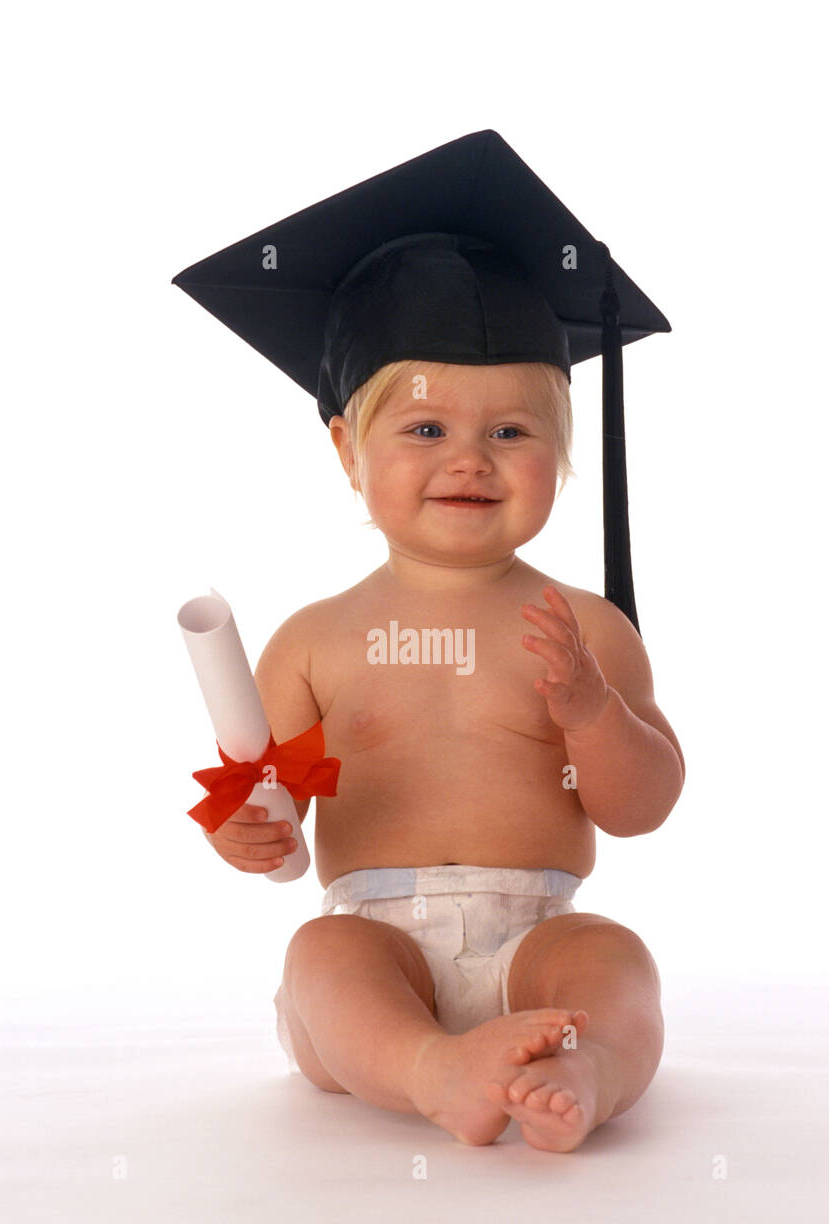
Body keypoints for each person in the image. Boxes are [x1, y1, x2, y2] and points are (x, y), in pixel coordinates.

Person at [176, 132, 685, 1153]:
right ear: (345, 449)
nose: (471, 460)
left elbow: (641, 807)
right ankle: (433, 1066)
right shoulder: (314, 641)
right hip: (377, 943)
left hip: (538, 937)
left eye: (510, 431)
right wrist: (247, 835)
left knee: (618, 960)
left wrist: (593, 711)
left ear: (562, 453)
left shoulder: (589, 632)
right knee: (320, 957)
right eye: (423, 430)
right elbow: (262, 802)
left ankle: (588, 1067)